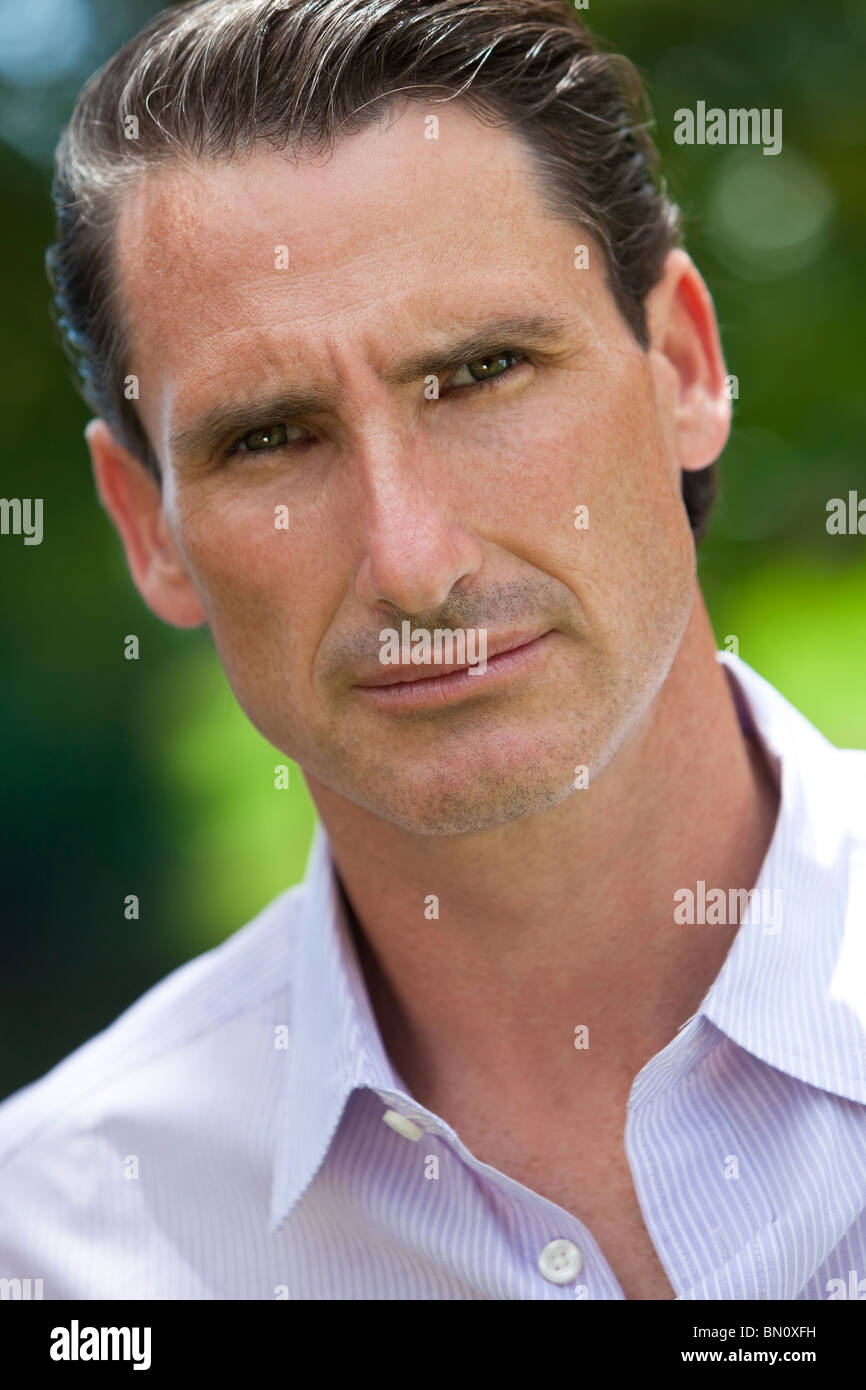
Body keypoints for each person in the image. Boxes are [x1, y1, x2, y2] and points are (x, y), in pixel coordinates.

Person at [1, 0, 864, 1302]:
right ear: (149, 527)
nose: (413, 562)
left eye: (483, 371)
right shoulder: (59, 1249)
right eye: (268, 438)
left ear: (684, 365)